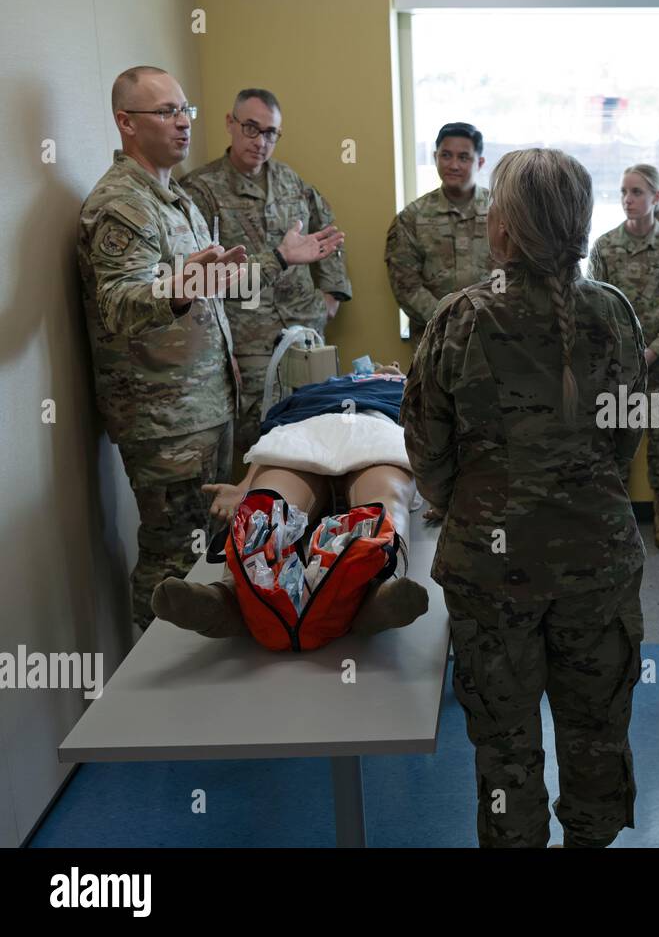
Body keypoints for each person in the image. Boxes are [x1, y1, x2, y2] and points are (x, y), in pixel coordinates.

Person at [401, 148, 647, 848]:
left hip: (490, 565)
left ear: (502, 227)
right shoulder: (617, 315)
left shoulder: (460, 318)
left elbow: (428, 452)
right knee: (598, 734)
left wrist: (468, 502)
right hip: (597, 559)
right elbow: (626, 439)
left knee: (506, 745)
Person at [77, 65, 342, 633]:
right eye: (165, 112)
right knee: (172, 560)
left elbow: (217, 286)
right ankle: (154, 696)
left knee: (207, 548)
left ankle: (198, 686)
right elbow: (119, 303)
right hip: (165, 416)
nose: (181, 123)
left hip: (205, 406)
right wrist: (176, 285)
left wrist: (281, 259)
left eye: (184, 110)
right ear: (125, 122)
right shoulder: (122, 205)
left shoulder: (174, 201)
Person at [149, 365, 428, 640]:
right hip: (307, 431)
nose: (385, 366)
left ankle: (379, 592)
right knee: (265, 506)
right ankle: (229, 595)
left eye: (393, 367)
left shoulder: (408, 385)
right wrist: (246, 487)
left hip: (379, 428)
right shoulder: (318, 387)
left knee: (384, 504)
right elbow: (271, 433)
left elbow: (433, 432)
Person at [182, 88, 353, 461]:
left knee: (318, 435)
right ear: (231, 124)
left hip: (306, 331)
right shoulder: (201, 189)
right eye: (251, 128)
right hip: (249, 341)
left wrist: (331, 297)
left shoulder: (291, 181)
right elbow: (199, 277)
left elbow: (328, 233)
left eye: (271, 133)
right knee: (263, 445)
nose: (260, 142)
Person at [588, 164, 659, 549]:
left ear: (656, 198)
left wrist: (654, 349)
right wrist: (619, 353)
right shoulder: (604, 246)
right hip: (616, 366)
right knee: (613, 441)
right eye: (623, 192)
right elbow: (593, 303)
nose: (628, 200)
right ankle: (614, 516)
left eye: (636, 192)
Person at [385, 122, 493, 343]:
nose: (453, 165)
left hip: (493, 335)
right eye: (446, 155)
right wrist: (450, 323)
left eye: (463, 157)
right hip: (435, 339)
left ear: (479, 162)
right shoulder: (412, 217)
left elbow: (512, 275)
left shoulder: (500, 212)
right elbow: (407, 287)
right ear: (435, 157)